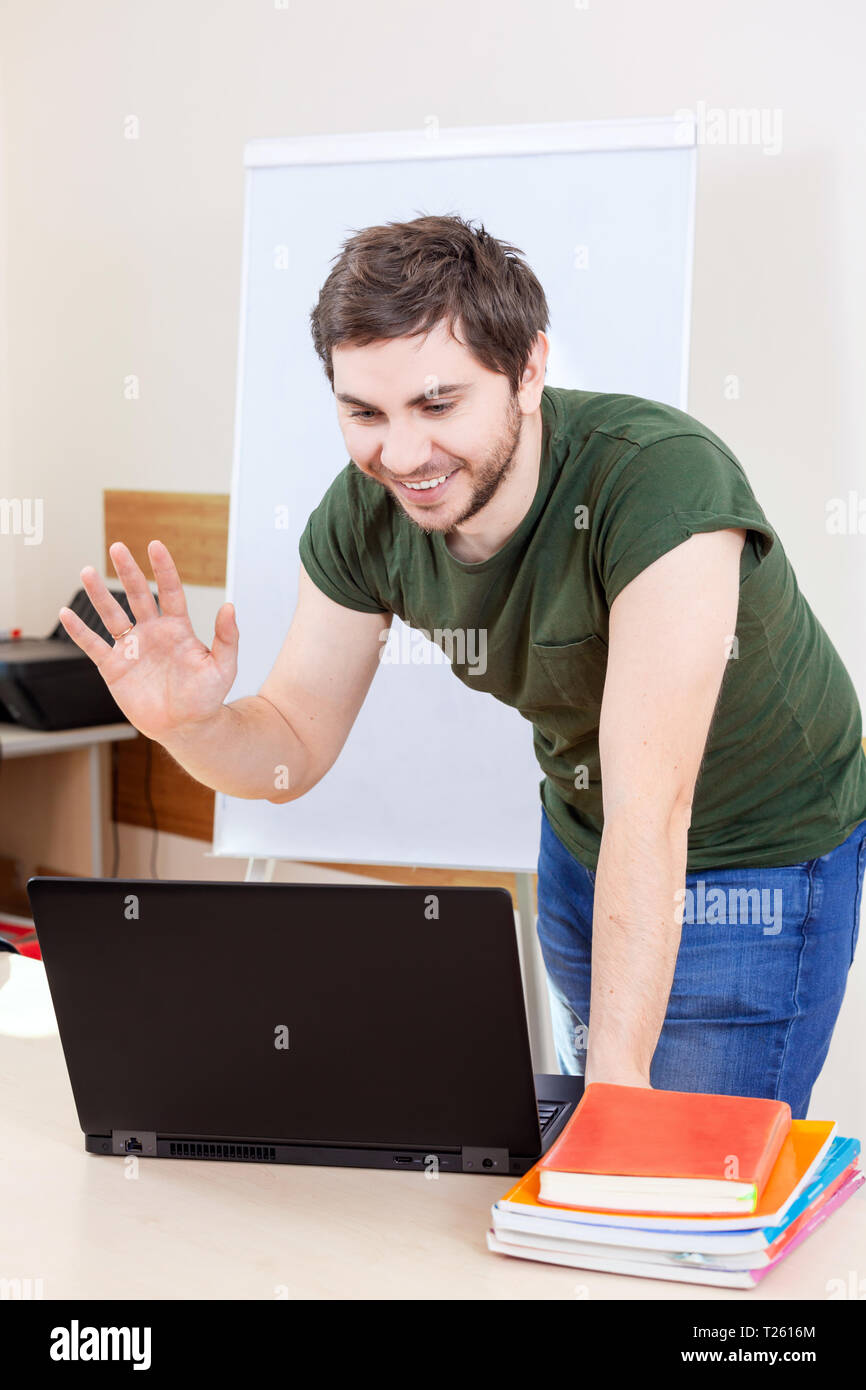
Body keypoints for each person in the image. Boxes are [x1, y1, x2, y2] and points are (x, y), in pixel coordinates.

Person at [60, 214, 866, 1119]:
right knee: (597, 1149)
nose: (400, 456)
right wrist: (190, 721)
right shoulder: (367, 514)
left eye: (438, 404)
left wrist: (618, 1104)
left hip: (754, 851)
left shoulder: (660, 484)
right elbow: (291, 744)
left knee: (675, 1181)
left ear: (528, 371)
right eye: (364, 412)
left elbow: (657, 806)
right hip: (586, 836)